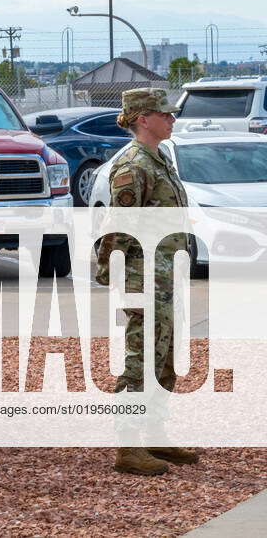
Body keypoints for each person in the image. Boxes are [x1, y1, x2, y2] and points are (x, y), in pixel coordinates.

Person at [96, 87, 199, 476]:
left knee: (166, 358)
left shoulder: (159, 158)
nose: (172, 119)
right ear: (143, 119)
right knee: (142, 359)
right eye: (165, 114)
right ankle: (128, 446)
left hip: (168, 274)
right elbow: (118, 227)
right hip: (145, 277)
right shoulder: (133, 165)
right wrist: (112, 273)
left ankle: (154, 433)